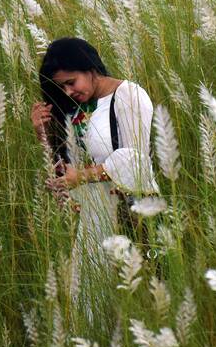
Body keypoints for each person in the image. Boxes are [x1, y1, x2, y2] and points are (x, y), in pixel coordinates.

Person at [32, 38, 158, 326]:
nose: (68, 91)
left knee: (136, 306)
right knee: (89, 309)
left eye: (71, 81)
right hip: (93, 218)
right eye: (62, 87)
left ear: (89, 67)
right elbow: (66, 171)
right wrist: (43, 135)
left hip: (129, 214)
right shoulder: (79, 110)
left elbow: (136, 161)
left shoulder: (128, 95)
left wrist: (83, 177)